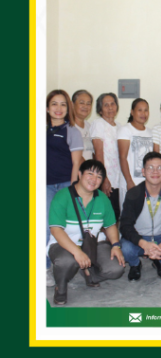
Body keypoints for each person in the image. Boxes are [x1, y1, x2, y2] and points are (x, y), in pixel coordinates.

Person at [48, 159, 125, 305]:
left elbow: (110, 226)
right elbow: (56, 230)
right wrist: (77, 252)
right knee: (66, 261)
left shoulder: (102, 199)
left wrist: (116, 245)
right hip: (64, 244)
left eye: (99, 177)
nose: (94, 179)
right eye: (90, 174)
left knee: (116, 268)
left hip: (94, 242)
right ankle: (61, 286)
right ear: (79, 174)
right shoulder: (62, 196)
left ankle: (90, 274)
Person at [119, 151, 161, 280]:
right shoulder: (134, 193)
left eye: (159, 168)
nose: (155, 171)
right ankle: (135, 264)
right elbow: (125, 226)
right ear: (143, 172)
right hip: (139, 238)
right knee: (124, 248)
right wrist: (144, 244)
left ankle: (160, 262)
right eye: (150, 168)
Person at [46, 90, 84, 281]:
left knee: (63, 225)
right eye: (54, 104)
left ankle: (68, 263)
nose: (58, 108)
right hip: (43, 186)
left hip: (63, 185)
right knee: (45, 226)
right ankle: (45, 268)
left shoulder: (72, 131)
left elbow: (76, 163)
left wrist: (71, 189)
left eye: (63, 104)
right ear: (47, 108)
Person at [88, 93, 123, 218]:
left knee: (117, 213)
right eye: (106, 105)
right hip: (107, 178)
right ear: (100, 109)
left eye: (112, 104)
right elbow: (98, 153)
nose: (110, 107)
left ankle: (115, 238)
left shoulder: (120, 126)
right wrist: (103, 178)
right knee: (105, 214)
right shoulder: (98, 124)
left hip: (120, 178)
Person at [117, 98, 158, 193]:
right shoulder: (125, 130)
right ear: (132, 112)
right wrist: (129, 181)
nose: (143, 113)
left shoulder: (150, 132)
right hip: (131, 183)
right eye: (139, 110)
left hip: (148, 183)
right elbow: (123, 157)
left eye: (146, 110)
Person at [69, 90, 94, 161]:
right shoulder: (68, 127)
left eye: (88, 104)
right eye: (81, 103)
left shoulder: (89, 126)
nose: (85, 106)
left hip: (88, 169)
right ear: (72, 104)